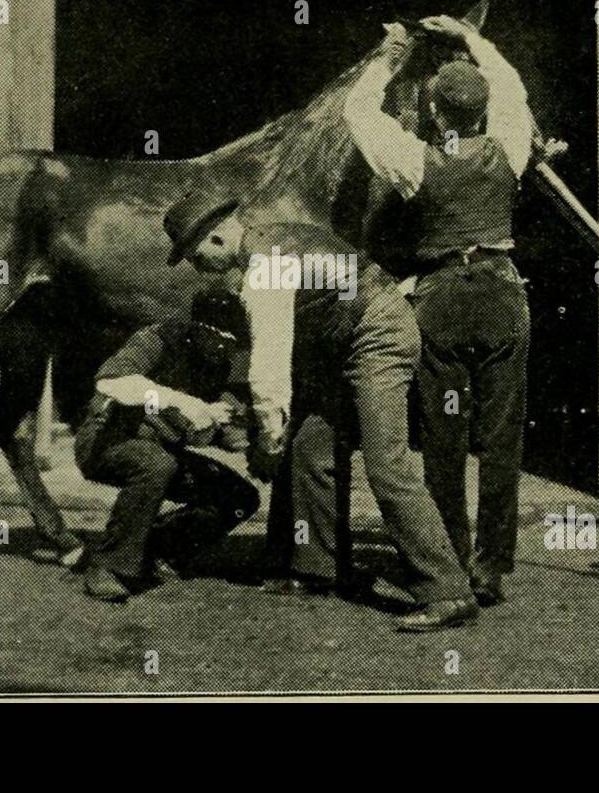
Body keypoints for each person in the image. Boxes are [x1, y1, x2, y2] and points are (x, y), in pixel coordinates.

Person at [163, 189, 478, 632]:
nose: (199, 271)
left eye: (195, 259)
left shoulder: (265, 269)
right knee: (313, 447)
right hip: (346, 340)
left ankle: (448, 592)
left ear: (215, 239)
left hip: (377, 335)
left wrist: (269, 443)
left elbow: (270, 371)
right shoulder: (272, 240)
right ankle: (318, 569)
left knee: (386, 465)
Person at [343, 16, 562, 605]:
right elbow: (511, 87)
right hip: (501, 298)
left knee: (443, 438)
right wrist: (476, 39)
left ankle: (451, 563)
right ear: (482, 112)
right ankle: (490, 569)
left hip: (439, 303)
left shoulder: (415, 161)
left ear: (435, 114)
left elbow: (358, 115)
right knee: (501, 440)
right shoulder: (510, 146)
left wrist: (390, 56)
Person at [73, 290, 260, 603]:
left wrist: (240, 432)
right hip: (107, 439)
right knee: (158, 464)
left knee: (240, 496)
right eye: (221, 340)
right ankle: (108, 566)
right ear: (199, 329)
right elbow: (110, 381)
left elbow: (211, 436)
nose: (225, 351)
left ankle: (153, 546)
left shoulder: (219, 365)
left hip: (161, 448)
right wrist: (187, 402)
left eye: (232, 345)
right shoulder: (158, 339)